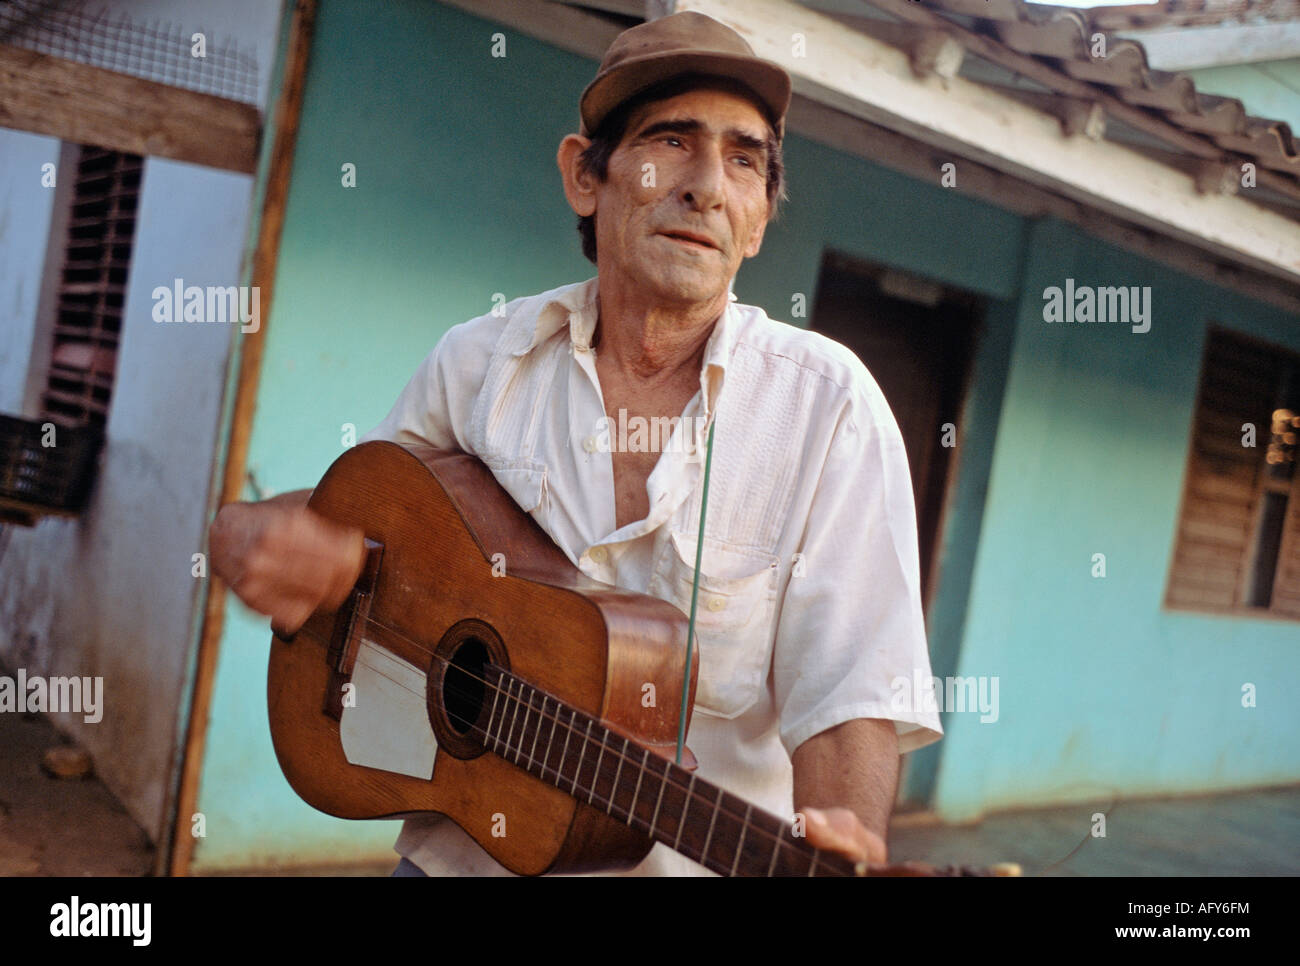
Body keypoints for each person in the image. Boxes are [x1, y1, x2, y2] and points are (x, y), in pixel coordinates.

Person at [209, 11, 942, 877]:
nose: (707, 184)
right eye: (672, 140)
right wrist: (274, 537)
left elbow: (852, 687)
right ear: (584, 177)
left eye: (744, 159)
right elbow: (354, 523)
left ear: (756, 223)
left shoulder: (829, 408)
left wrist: (845, 834)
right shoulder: (481, 363)